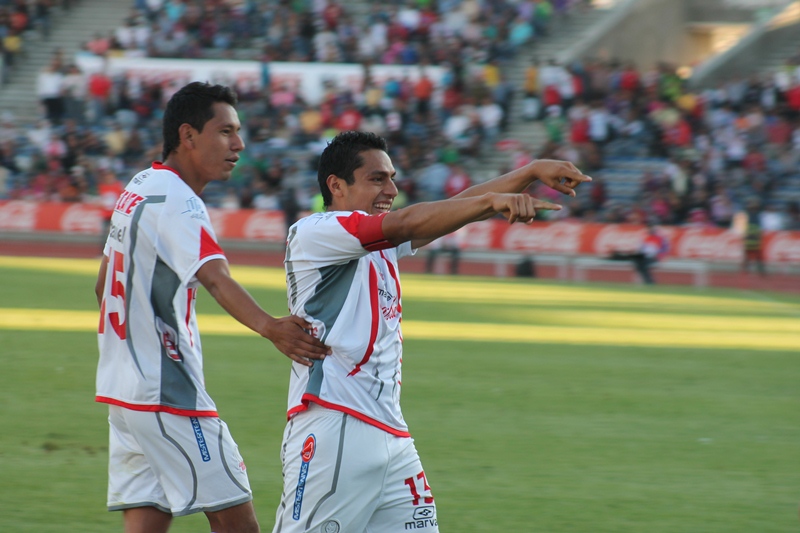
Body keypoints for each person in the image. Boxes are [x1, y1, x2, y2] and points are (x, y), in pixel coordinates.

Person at [273, 131, 590, 532]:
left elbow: (453, 208)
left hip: (392, 437)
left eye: (391, 177)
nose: (391, 188)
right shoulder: (318, 231)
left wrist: (526, 174)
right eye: (376, 179)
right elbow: (410, 219)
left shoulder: (380, 239)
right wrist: (495, 201)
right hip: (336, 426)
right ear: (336, 185)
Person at [94, 82, 330, 533]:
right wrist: (272, 328)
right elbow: (216, 277)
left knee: (147, 520)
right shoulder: (179, 200)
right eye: (225, 132)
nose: (238, 145)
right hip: (168, 392)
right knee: (237, 523)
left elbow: (103, 283)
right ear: (188, 135)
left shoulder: (139, 185)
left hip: (122, 391)